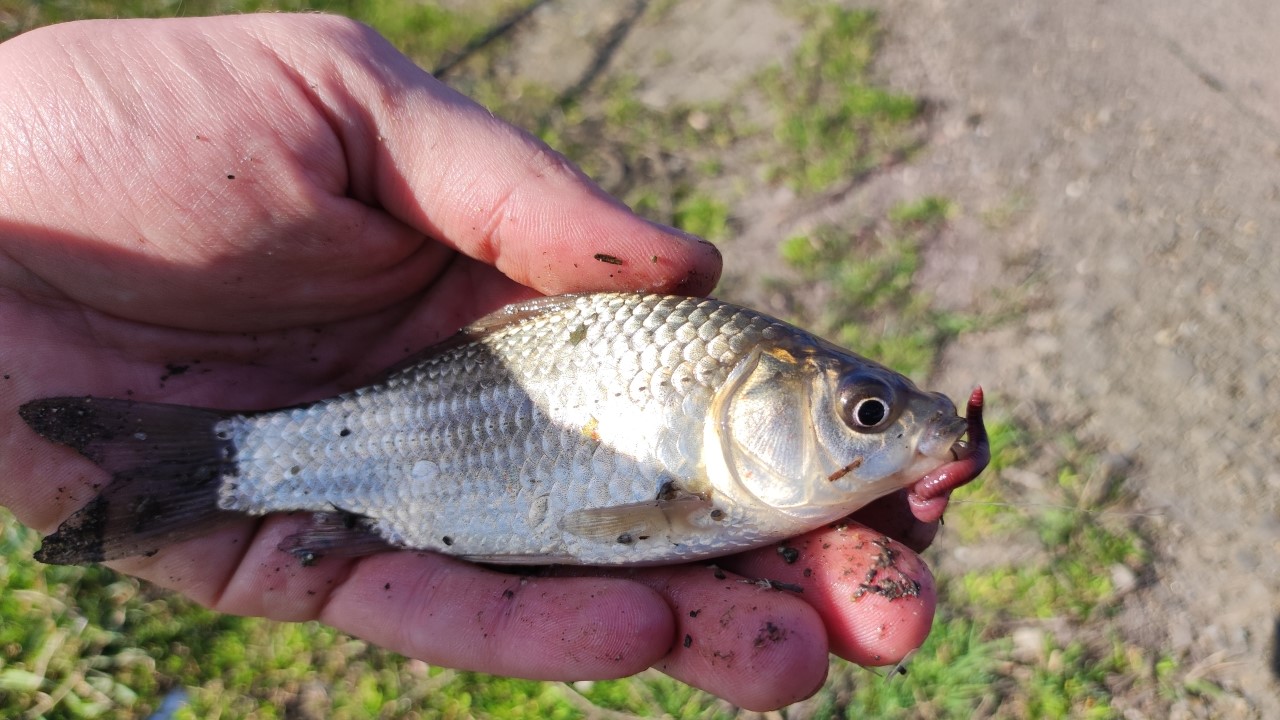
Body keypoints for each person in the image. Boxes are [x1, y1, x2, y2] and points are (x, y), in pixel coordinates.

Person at [0, 15, 941, 711]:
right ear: (752, 395)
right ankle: (223, 465)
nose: (885, 430)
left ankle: (209, 471)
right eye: (867, 413)